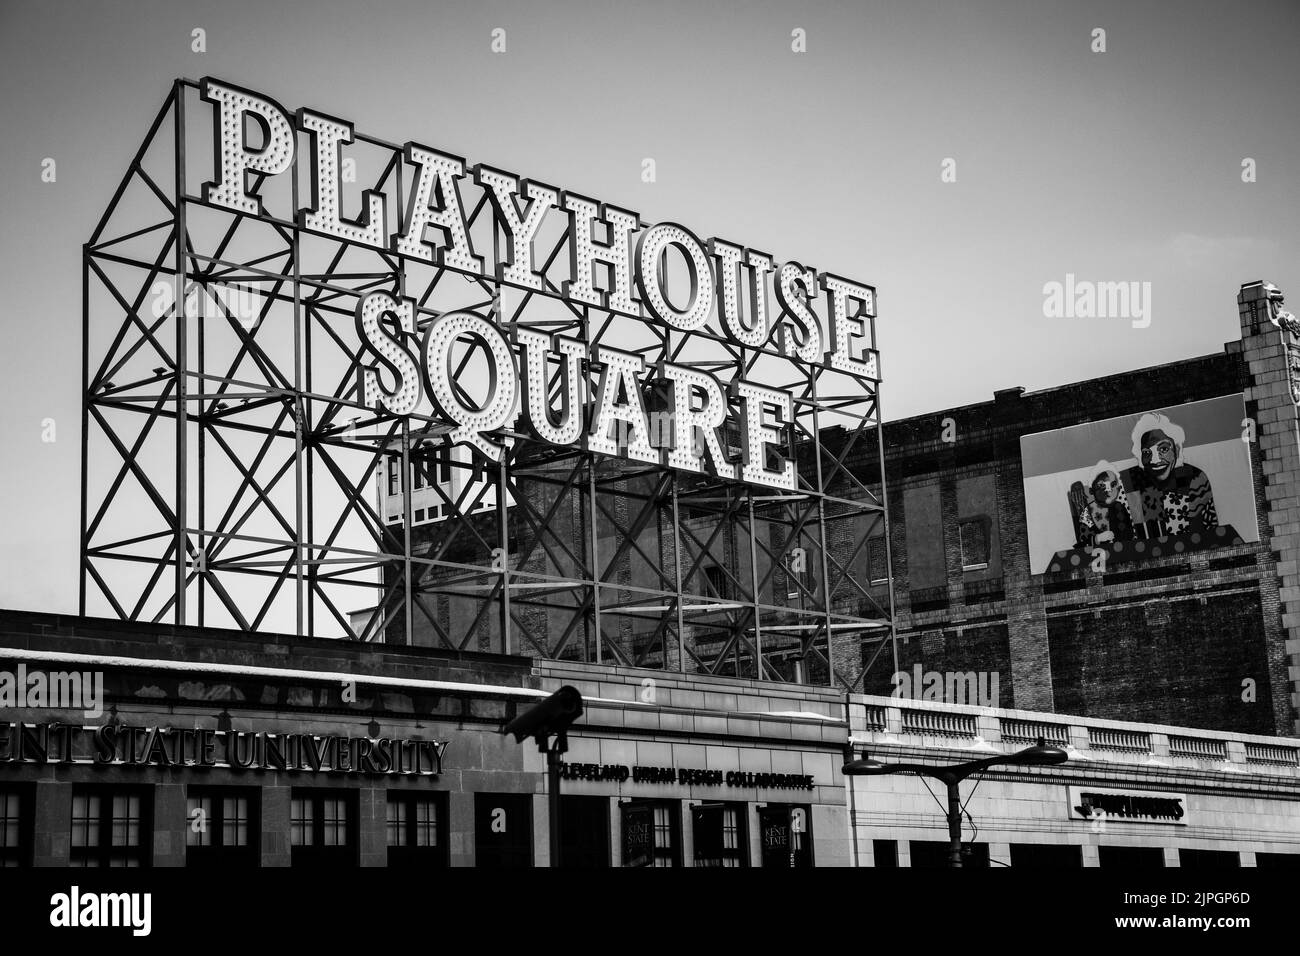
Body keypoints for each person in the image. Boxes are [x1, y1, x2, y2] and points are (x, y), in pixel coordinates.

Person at [1119, 412, 1217, 538]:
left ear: (1177, 449)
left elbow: (1210, 533)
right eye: (1147, 452)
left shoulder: (1194, 477)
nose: (1154, 460)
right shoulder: (1129, 481)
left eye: (1164, 449)